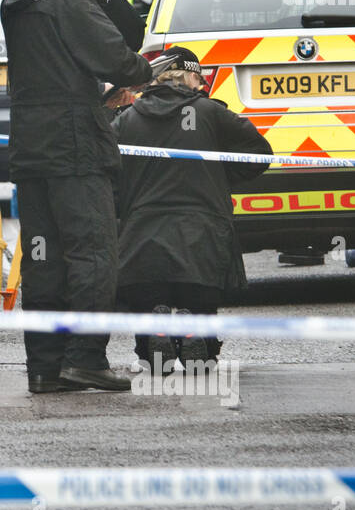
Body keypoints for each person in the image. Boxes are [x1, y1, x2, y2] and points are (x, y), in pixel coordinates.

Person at [0, 0, 153, 393]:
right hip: (75, 147)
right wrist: (144, 72)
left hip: (31, 146)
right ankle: (85, 357)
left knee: (45, 259)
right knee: (93, 253)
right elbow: (120, 58)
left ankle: (46, 367)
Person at [112, 47, 272, 369]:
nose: (201, 85)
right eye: (198, 78)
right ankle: (194, 328)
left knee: (148, 298)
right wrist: (218, 175)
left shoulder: (125, 120)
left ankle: (154, 331)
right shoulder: (211, 113)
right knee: (200, 298)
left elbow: (108, 173)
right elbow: (259, 153)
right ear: (187, 76)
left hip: (142, 235)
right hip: (203, 232)